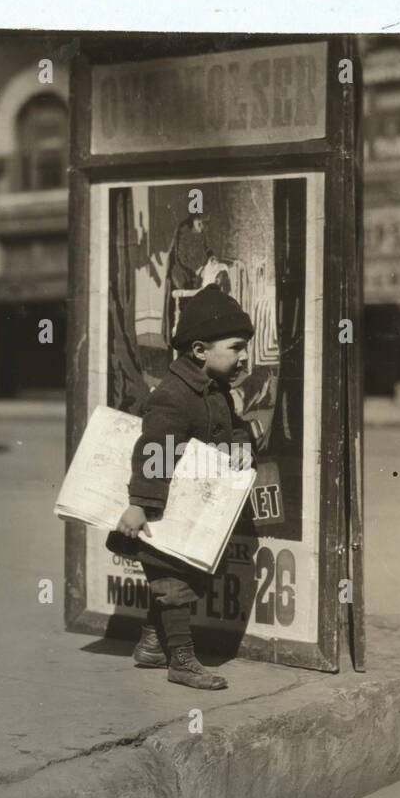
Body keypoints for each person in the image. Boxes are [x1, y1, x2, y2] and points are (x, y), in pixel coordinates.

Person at [110, 284, 256, 690]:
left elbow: (233, 428)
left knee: (181, 580)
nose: (245, 357)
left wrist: (241, 444)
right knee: (173, 586)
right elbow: (153, 452)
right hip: (161, 513)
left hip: (189, 511)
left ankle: (153, 646)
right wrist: (140, 505)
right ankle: (182, 660)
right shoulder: (175, 397)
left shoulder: (216, 391)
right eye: (237, 347)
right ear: (199, 351)